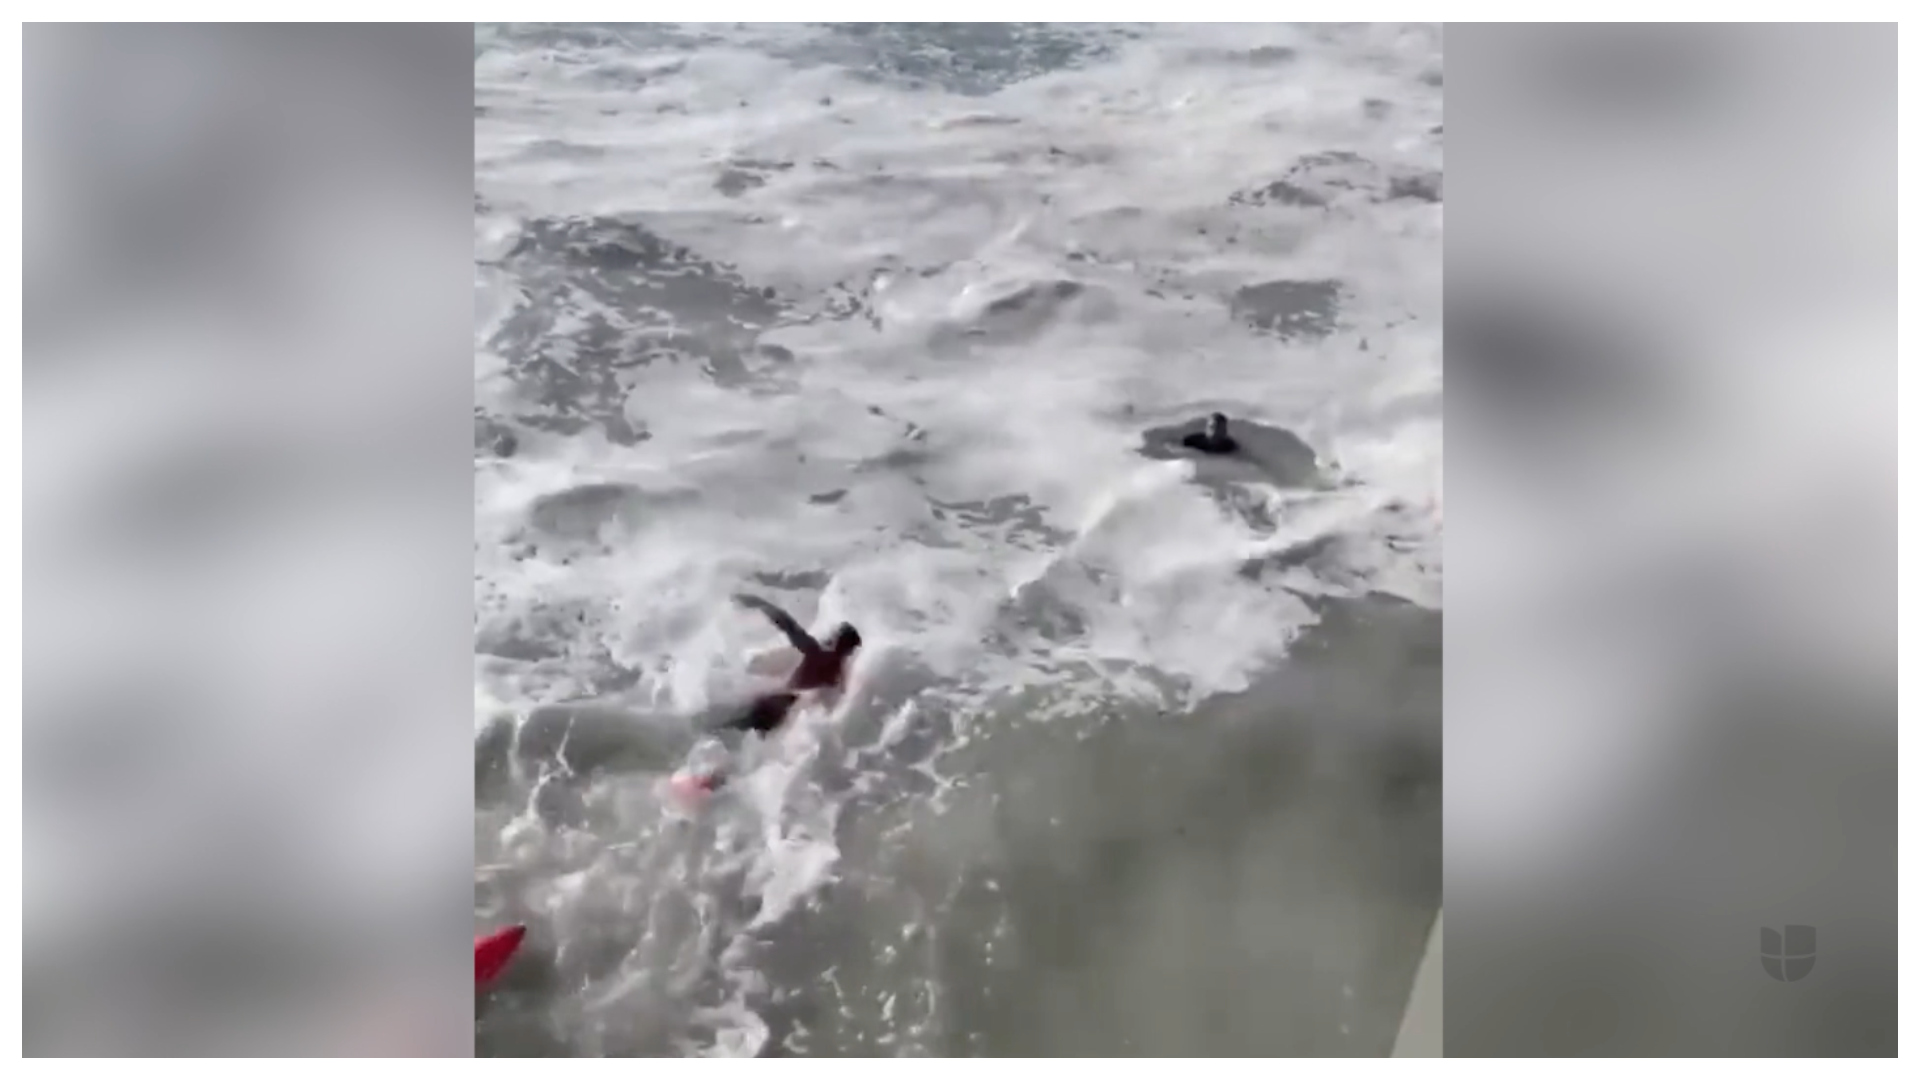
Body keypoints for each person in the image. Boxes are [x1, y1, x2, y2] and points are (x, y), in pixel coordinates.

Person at [671, 595, 863, 798]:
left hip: (776, 703)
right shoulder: (839, 679)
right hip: (787, 715)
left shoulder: (816, 652)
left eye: (833, 637)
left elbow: (788, 625)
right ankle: (710, 783)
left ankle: (696, 777)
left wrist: (760, 604)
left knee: (724, 733)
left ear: (837, 642)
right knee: (746, 752)